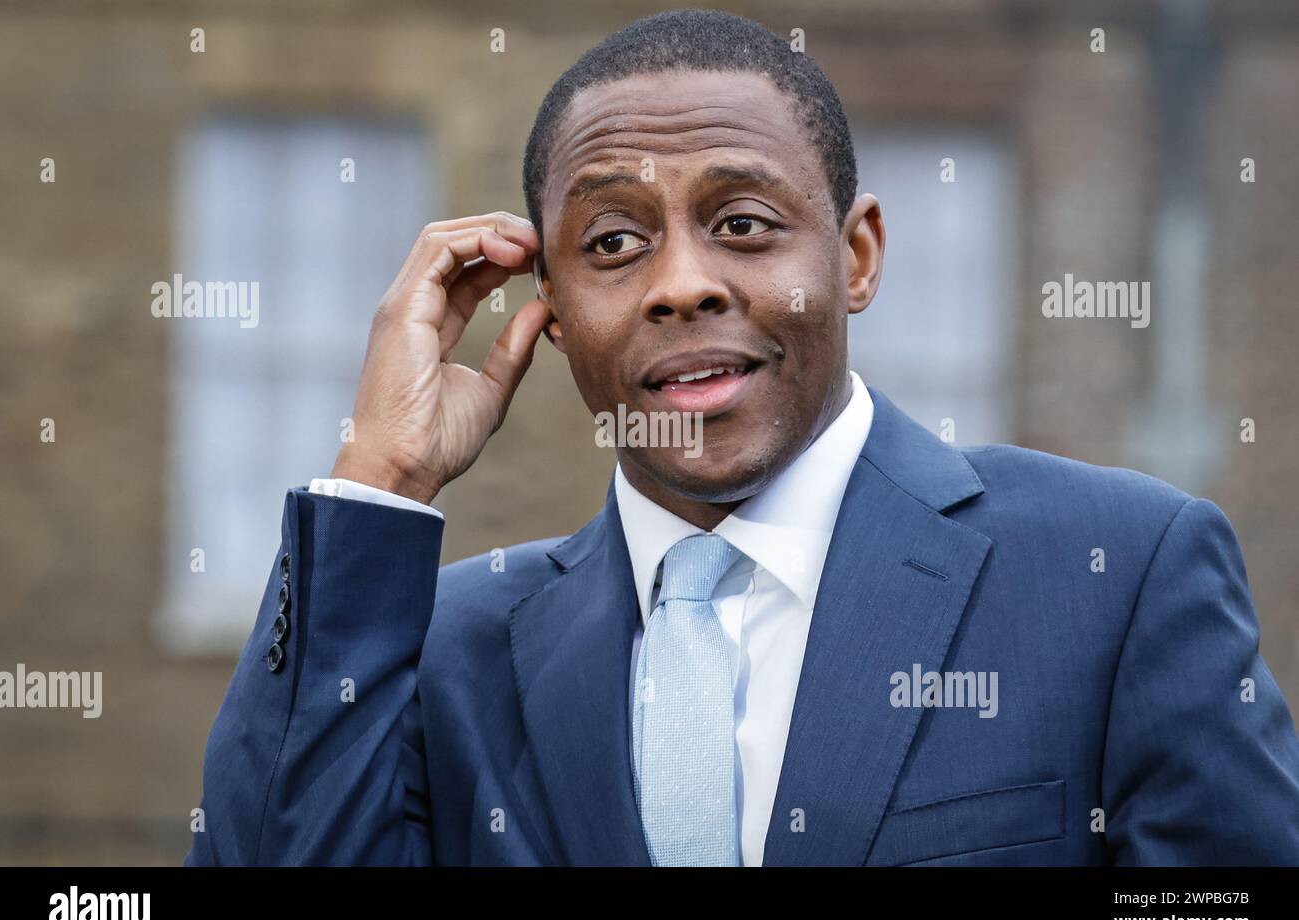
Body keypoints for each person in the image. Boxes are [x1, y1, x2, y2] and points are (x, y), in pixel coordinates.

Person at [185, 9, 1299, 866]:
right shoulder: (449, 653)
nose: (680, 284)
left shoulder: (1115, 573)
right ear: (553, 309)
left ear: (855, 257)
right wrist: (382, 476)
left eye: (744, 225)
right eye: (614, 240)